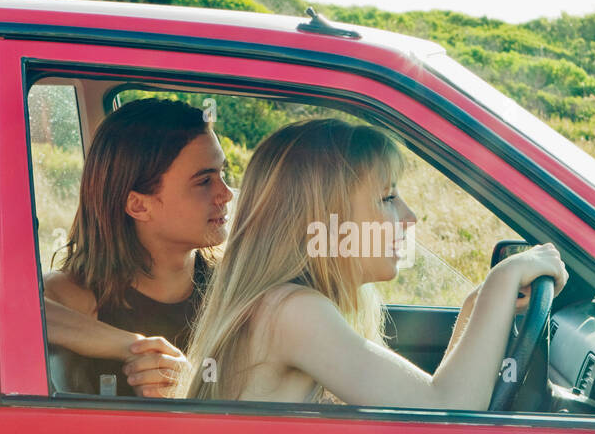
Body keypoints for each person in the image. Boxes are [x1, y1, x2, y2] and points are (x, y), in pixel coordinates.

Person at [180, 118, 566, 408]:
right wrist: (504, 276)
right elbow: (446, 412)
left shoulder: (283, 306)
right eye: (387, 198)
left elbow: (422, 406)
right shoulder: (291, 311)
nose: (410, 217)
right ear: (328, 218)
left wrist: (474, 309)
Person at [44, 99, 233, 396]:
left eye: (223, 174)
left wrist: (188, 385)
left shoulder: (235, 290)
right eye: (204, 181)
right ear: (138, 205)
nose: (226, 193)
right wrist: (134, 347)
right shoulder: (82, 296)